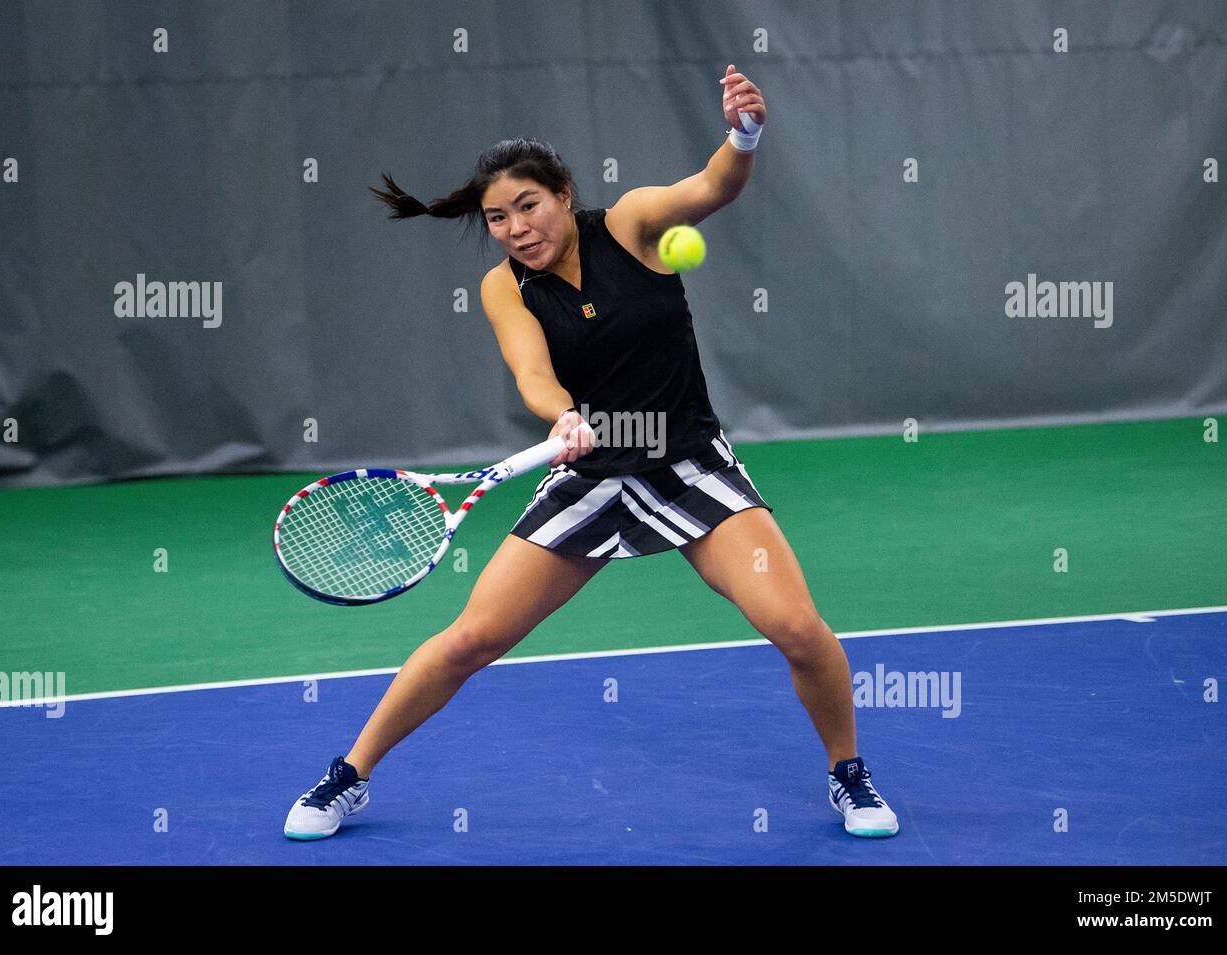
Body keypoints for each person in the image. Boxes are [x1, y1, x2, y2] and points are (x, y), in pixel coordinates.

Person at [284, 65, 898, 841]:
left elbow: (714, 186)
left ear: (565, 194)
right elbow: (533, 372)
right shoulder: (502, 287)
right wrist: (564, 417)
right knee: (469, 639)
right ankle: (349, 776)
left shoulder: (636, 223)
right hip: (591, 473)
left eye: (527, 205)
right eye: (497, 217)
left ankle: (850, 774)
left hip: (686, 463)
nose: (515, 227)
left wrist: (744, 134)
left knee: (799, 629)